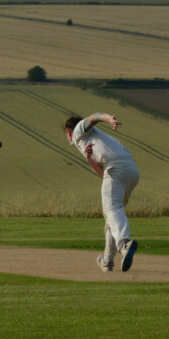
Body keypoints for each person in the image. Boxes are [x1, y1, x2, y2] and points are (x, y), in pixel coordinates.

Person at [63, 112, 140, 273]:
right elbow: (101, 172)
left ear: (68, 132)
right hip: (131, 171)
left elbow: (94, 117)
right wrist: (89, 159)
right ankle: (107, 261)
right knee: (112, 217)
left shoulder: (78, 130)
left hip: (116, 168)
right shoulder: (91, 140)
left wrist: (109, 119)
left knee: (111, 209)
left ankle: (124, 244)